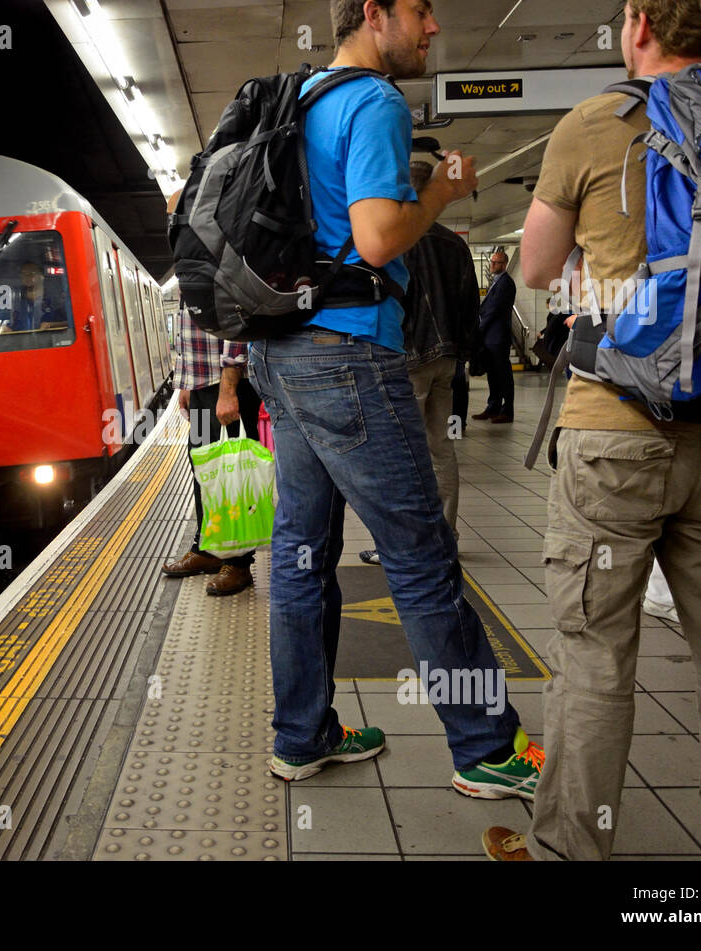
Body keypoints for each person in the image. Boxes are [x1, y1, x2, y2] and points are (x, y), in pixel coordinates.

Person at [483, 0, 701, 862]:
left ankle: (574, 848)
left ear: (642, 22)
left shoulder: (594, 122)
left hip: (615, 428)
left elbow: (537, 266)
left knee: (595, 652)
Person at [248, 0, 541, 795]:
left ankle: (302, 735)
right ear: (372, 14)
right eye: (419, 10)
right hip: (346, 353)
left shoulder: (299, 100)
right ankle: (484, 745)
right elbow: (377, 238)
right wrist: (442, 193)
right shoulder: (374, 101)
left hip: (281, 352)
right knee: (420, 555)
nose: (434, 27)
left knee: (303, 555)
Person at [360, 159, 478, 565]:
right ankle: (445, 537)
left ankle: (403, 545)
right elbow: (469, 305)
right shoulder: (455, 243)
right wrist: (461, 355)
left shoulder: (400, 239)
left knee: (400, 453)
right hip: (447, 360)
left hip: (408, 357)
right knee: (439, 448)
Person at [161, 212, 262, 596]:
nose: (170, 224)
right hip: (203, 386)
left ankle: (239, 563)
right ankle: (208, 548)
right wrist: (186, 383)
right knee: (206, 471)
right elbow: (192, 323)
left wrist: (228, 389)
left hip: (226, 387)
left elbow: (236, 325)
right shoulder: (191, 256)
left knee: (233, 476)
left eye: (175, 215)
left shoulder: (224, 255)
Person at [474, 249, 516, 423]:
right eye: (491, 261)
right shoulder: (496, 282)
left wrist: (478, 329)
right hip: (491, 338)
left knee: (503, 374)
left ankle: (507, 411)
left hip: (498, 338)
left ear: (504, 264)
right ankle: (493, 407)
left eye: (495, 262)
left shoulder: (506, 283)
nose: (491, 265)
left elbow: (493, 311)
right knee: (492, 374)